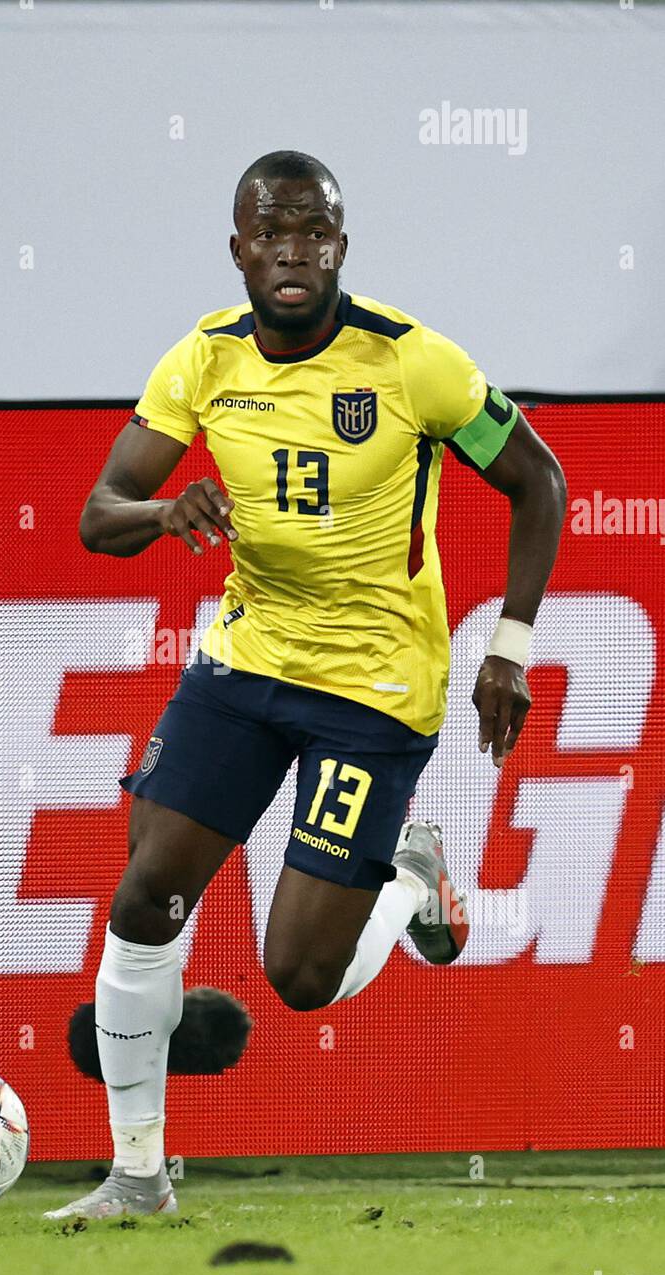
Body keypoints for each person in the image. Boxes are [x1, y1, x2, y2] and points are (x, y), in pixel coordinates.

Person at [45, 150, 566, 1220]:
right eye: (270, 232)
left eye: (313, 232)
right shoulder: (203, 361)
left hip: (375, 687)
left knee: (296, 978)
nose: (292, 250)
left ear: (340, 246)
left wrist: (506, 648)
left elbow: (538, 481)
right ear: (238, 249)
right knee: (145, 894)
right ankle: (138, 1177)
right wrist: (163, 513)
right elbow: (100, 515)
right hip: (246, 662)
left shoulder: (411, 363)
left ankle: (412, 879)